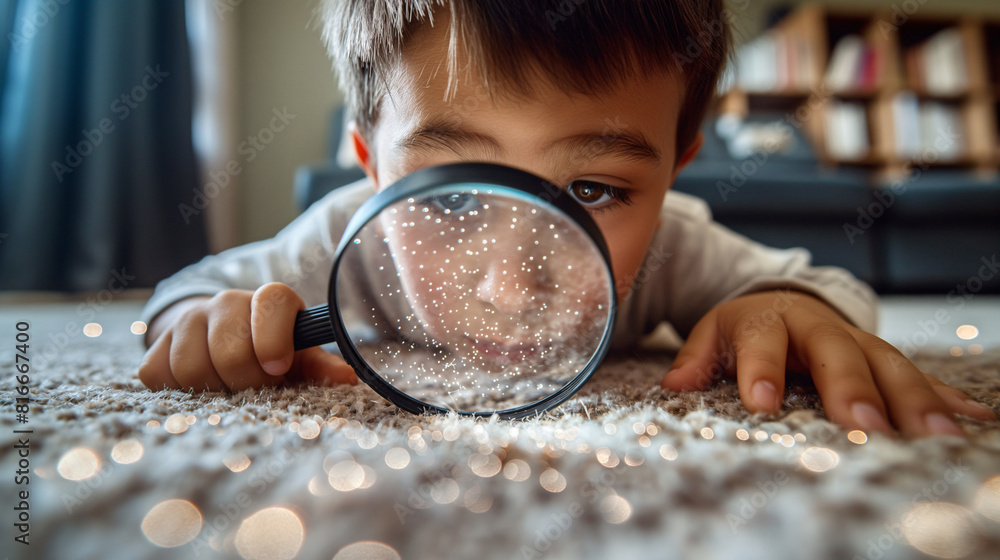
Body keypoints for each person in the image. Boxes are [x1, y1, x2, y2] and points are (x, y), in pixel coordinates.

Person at [138, 0, 995, 437]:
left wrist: (780, 308)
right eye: (455, 193)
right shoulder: (338, 240)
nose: (511, 288)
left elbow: (831, 290)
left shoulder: (675, 244)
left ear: (674, 171)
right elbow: (190, 293)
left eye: (590, 192)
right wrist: (209, 324)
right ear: (370, 167)